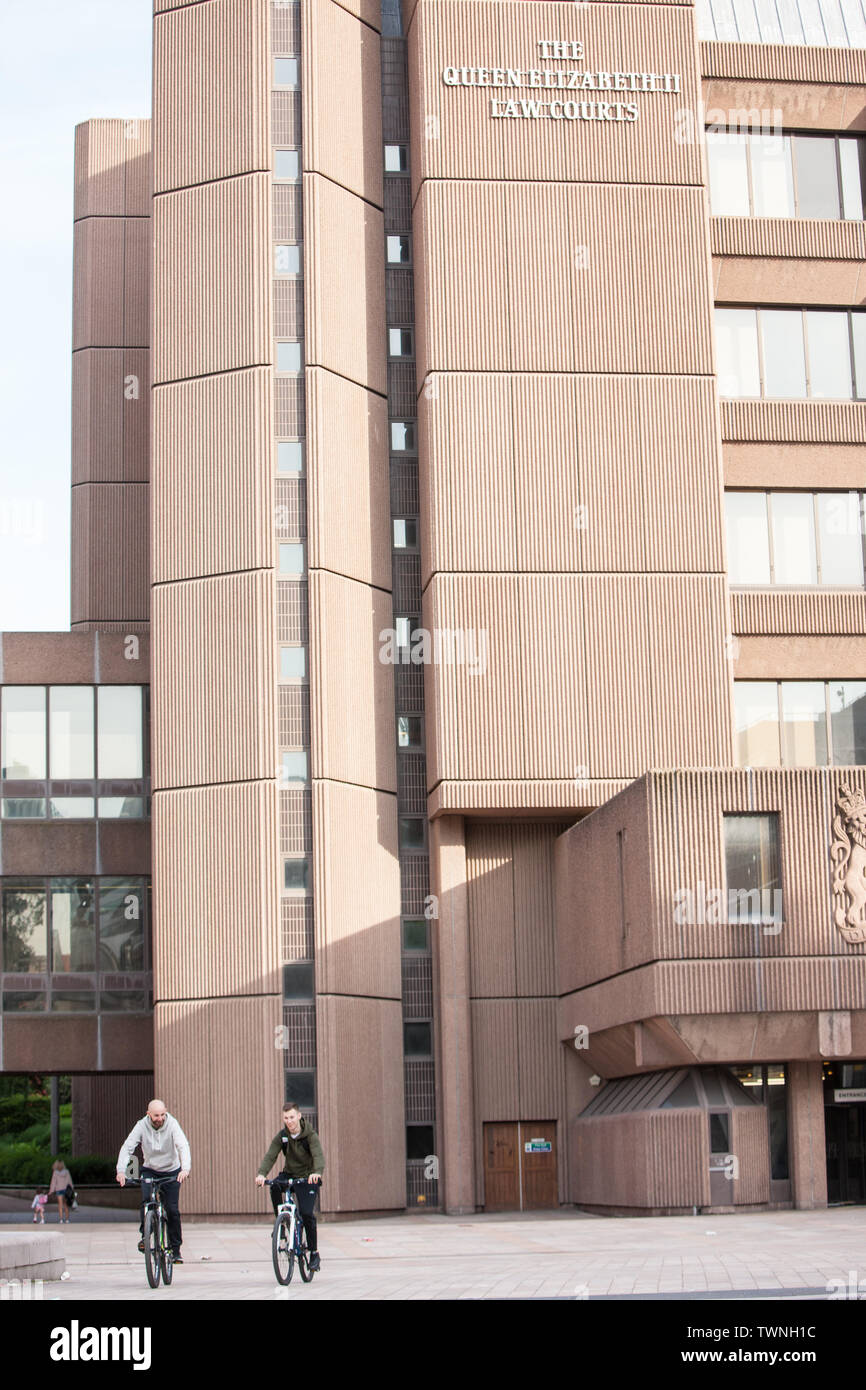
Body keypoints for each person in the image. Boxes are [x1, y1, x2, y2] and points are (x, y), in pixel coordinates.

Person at [115, 1099, 191, 1264]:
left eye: (162, 1114)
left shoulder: (172, 1124)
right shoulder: (142, 1125)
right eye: (156, 1115)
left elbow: (182, 1145)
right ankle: (145, 1236)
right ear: (148, 1114)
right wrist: (121, 1171)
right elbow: (128, 1147)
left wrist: (185, 1168)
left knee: (172, 1210)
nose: (160, 1118)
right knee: (145, 1201)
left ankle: (176, 1250)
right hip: (150, 1169)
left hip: (172, 1170)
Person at [255, 1102, 324, 1272]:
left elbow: (318, 1155)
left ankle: (314, 1253)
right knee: (275, 1186)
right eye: (286, 1118)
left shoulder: (310, 1136)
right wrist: (261, 1174)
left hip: (308, 1178)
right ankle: (282, 1225)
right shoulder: (283, 1136)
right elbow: (271, 1155)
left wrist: (317, 1172)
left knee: (307, 1214)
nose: (289, 1121)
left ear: (299, 1116)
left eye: (292, 1117)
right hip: (290, 1174)